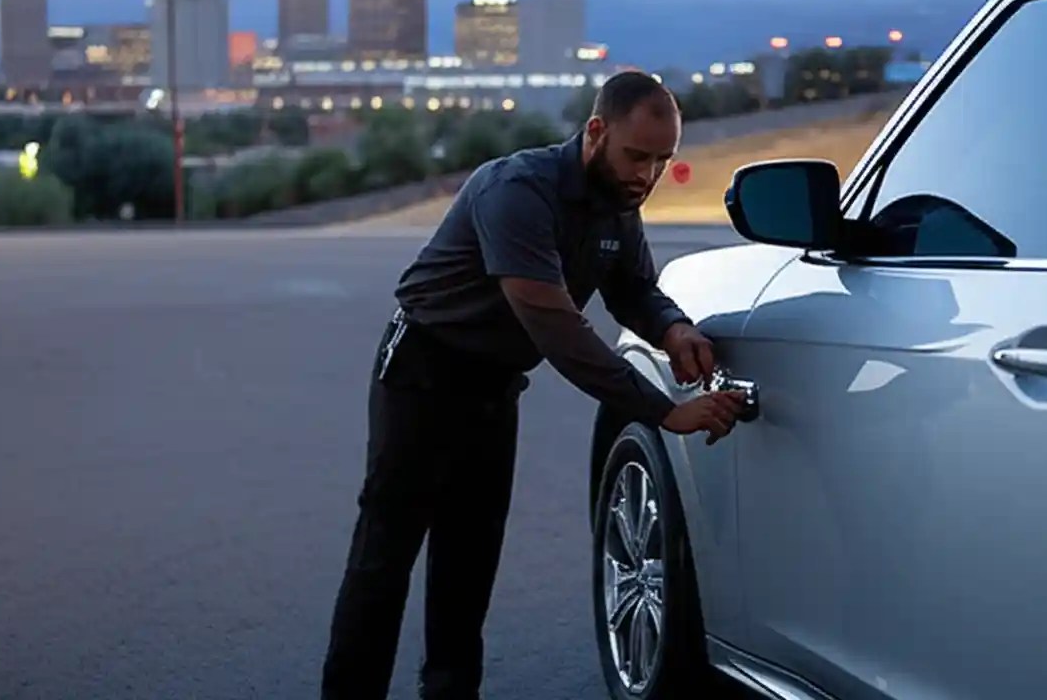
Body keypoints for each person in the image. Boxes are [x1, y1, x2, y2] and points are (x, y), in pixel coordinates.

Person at [320, 70, 747, 700]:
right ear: (596, 131)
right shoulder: (517, 189)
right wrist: (663, 411)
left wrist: (674, 328)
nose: (647, 176)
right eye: (637, 156)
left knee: (469, 559)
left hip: (495, 384)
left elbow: (632, 288)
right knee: (385, 555)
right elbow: (555, 325)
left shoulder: (618, 204)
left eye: (663, 161)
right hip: (423, 371)